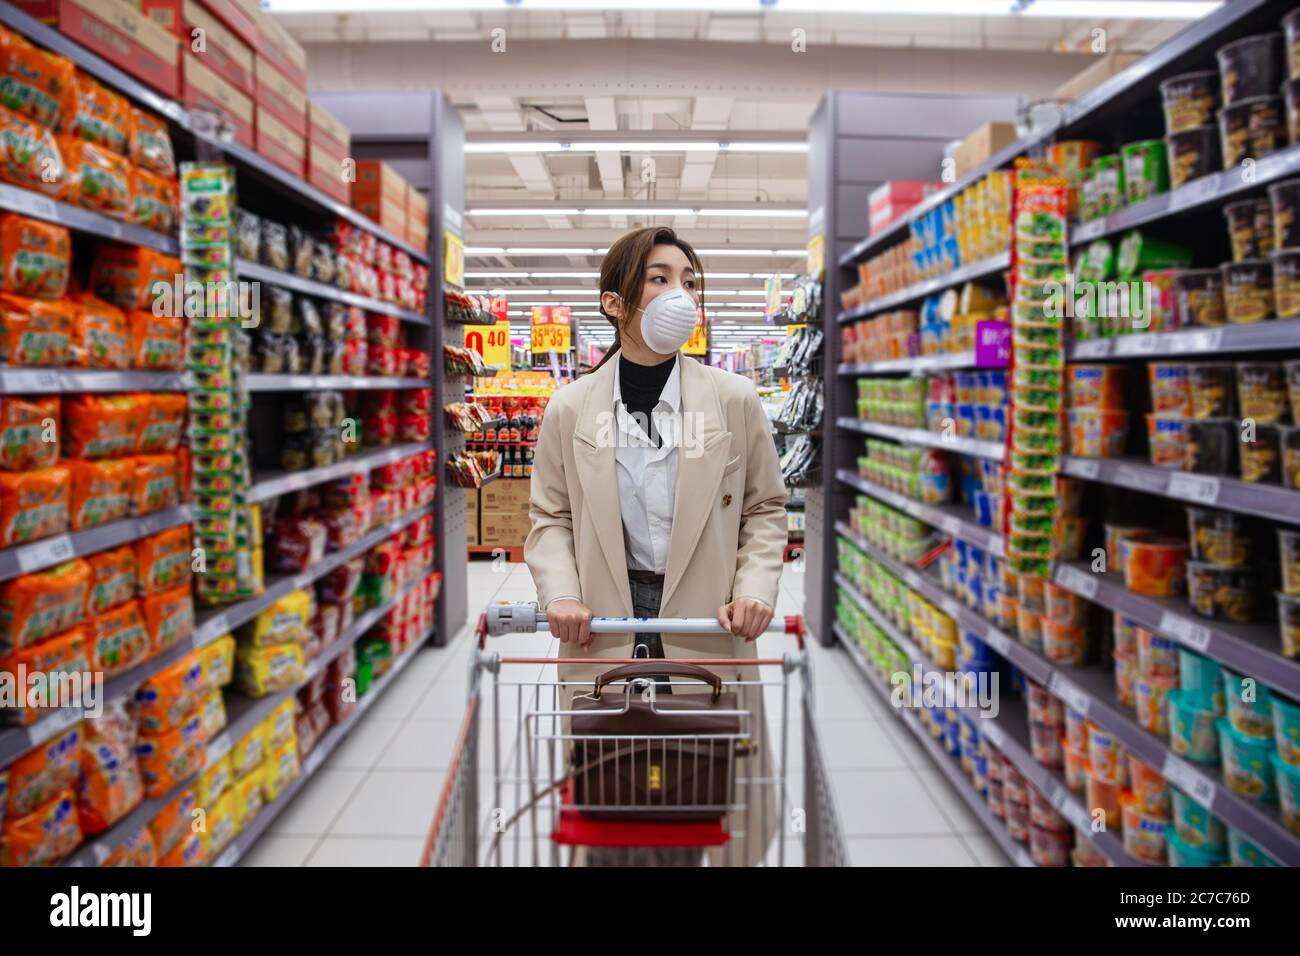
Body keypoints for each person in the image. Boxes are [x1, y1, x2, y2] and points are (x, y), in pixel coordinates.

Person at [524, 225, 787, 866]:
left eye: (689, 282)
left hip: (703, 626)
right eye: (660, 279)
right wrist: (560, 591)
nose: (681, 296)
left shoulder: (733, 400)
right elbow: (550, 517)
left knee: (701, 796)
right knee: (611, 798)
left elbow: (765, 509)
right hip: (605, 627)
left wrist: (754, 589)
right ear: (614, 301)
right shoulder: (569, 408)